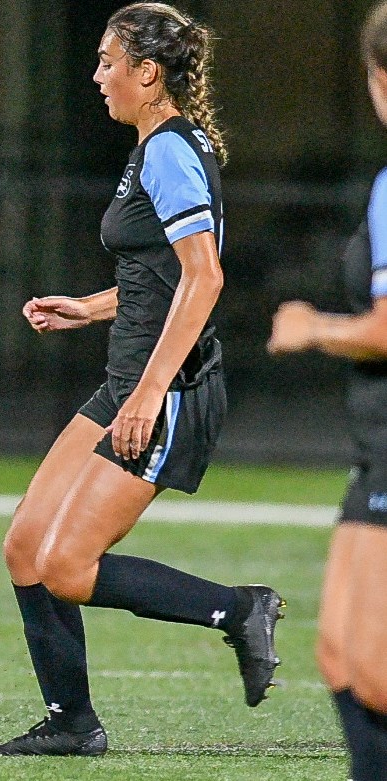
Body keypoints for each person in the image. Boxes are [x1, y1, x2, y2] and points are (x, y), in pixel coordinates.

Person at [0, 3, 284, 757]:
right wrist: (88, 308)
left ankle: (238, 609)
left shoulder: (169, 149)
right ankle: (72, 722)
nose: (97, 77)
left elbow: (204, 277)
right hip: (129, 378)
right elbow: (160, 278)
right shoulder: (155, 145)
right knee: (26, 546)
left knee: (65, 565)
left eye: (108, 62)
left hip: (169, 389)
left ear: (148, 74)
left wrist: (150, 393)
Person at [267, 4, 387, 776]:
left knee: (374, 667)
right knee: (341, 654)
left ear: (380, 79)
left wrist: (314, 326)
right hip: (373, 445)